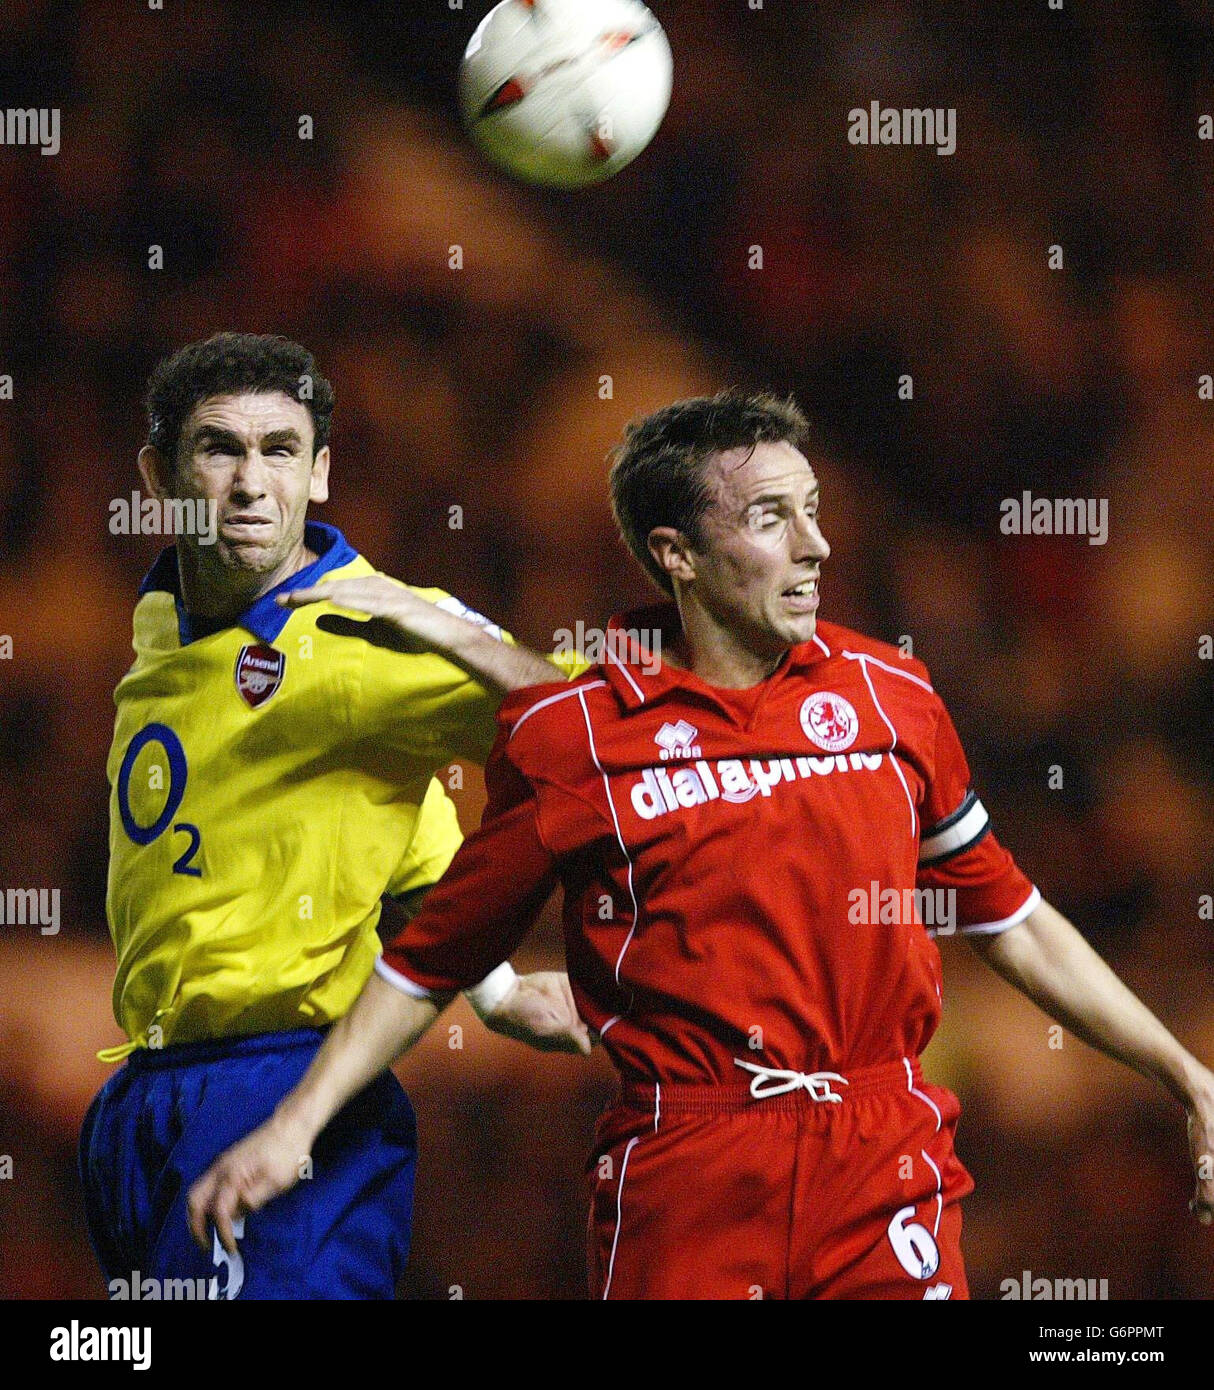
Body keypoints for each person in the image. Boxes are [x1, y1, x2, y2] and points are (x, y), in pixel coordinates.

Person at [187, 389, 1214, 1299]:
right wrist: (295, 1124)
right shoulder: (573, 737)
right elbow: (425, 962)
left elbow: (1014, 920)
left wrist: (1183, 1072)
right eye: (772, 516)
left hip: (882, 1145)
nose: (815, 543)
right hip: (689, 1161)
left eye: (812, 509)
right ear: (674, 551)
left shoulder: (889, 697)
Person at [80, 332, 589, 1302]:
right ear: (158, 476)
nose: (248, 482)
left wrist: (448, 631)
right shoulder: (161, 631)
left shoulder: (366, 624)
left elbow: (582, 722)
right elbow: (394, 827)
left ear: (319, 475)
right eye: (218, 448)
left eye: (279, 451)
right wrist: (493, 987)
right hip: (144, 1104)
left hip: (278, 1087)